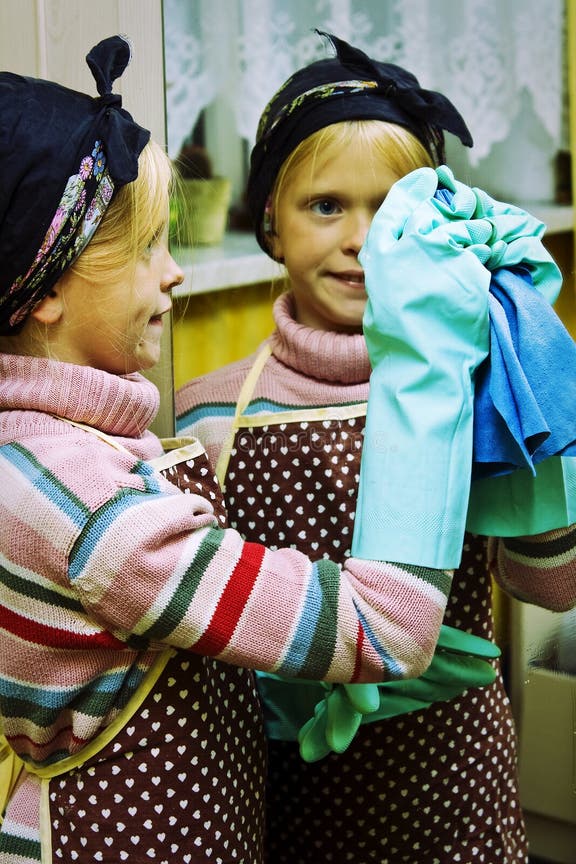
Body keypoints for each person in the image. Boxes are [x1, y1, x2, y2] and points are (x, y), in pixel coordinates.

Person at [0, 34, 502, 864]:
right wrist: (432, 370)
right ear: (49, 285)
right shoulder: (89, 503)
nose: (176, 275)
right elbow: (390, 629)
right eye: (149, 246)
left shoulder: (63, 453)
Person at [176, 31, 576, 864]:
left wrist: (536, 419)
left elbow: (554, 584)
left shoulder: (479, 387)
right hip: (281, 787)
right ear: (271, 228)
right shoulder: (206, 413)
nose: (364, 240)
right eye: (326, 206)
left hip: (454, 781)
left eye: (396, 211)